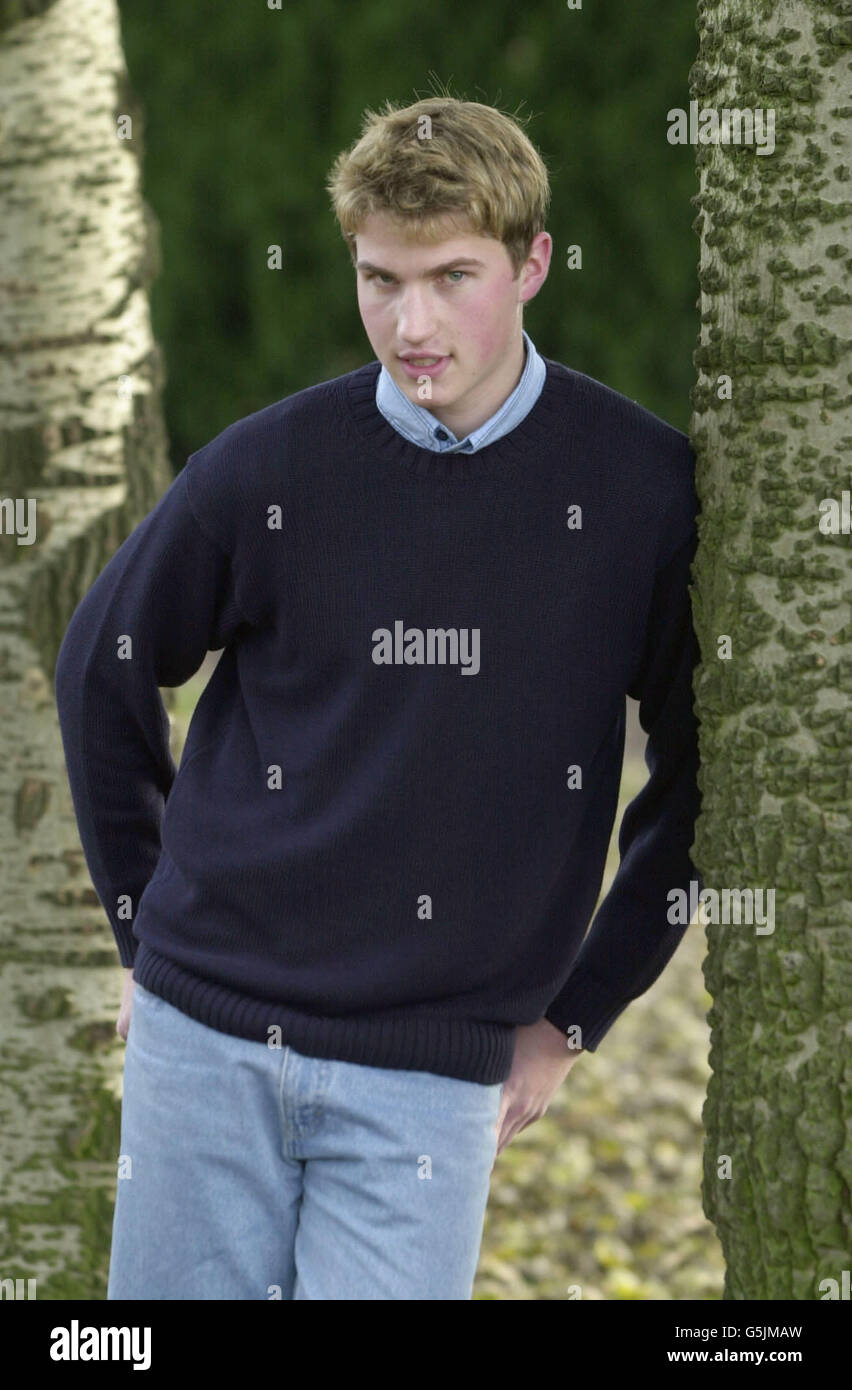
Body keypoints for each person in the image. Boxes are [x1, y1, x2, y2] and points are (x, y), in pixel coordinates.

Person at [54, 95, 703, 1301]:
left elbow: (707, 772)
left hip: (431, 1075)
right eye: (379, 278)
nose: (411, 324)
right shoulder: (268, 467)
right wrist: (145, 933)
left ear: (533, 264)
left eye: (452, 276)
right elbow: (102, 666)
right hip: (204, 1042)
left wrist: (577, 1014)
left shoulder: (640, 493)